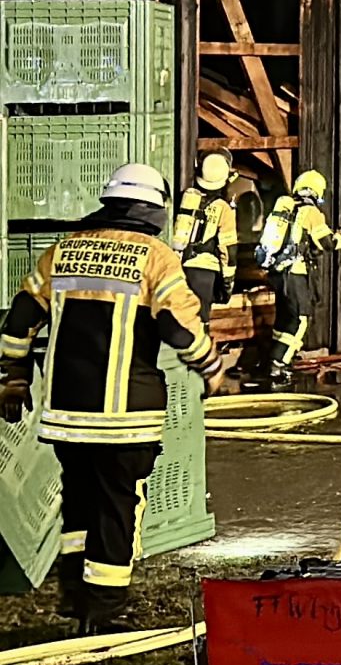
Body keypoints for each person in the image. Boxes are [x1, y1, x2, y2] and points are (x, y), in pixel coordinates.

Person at [0, 164, 220, 630]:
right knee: (118, 509)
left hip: (64, 416)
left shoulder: (61, 252)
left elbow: (19, 320)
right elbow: (179, 329)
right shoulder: (155, 257)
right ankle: (106, 612)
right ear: (150, 208)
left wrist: (15, 376)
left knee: (80, 502)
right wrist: (211, 364)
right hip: (125, 418)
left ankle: (77, 599)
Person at [255, 170, 341, 385]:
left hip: (276, 272)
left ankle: (275, 360)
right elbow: (329, 243)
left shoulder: (283, 203)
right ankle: (278, 366)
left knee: (284, 318)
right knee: (300, 319)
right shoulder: (311, 213)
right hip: (294, 273)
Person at [170, 149, 238, 322]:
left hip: (180, 268)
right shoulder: (224, 209)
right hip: (205, 274)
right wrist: (227, 284)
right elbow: (228, 252)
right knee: (199, 324)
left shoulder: (185, 197)